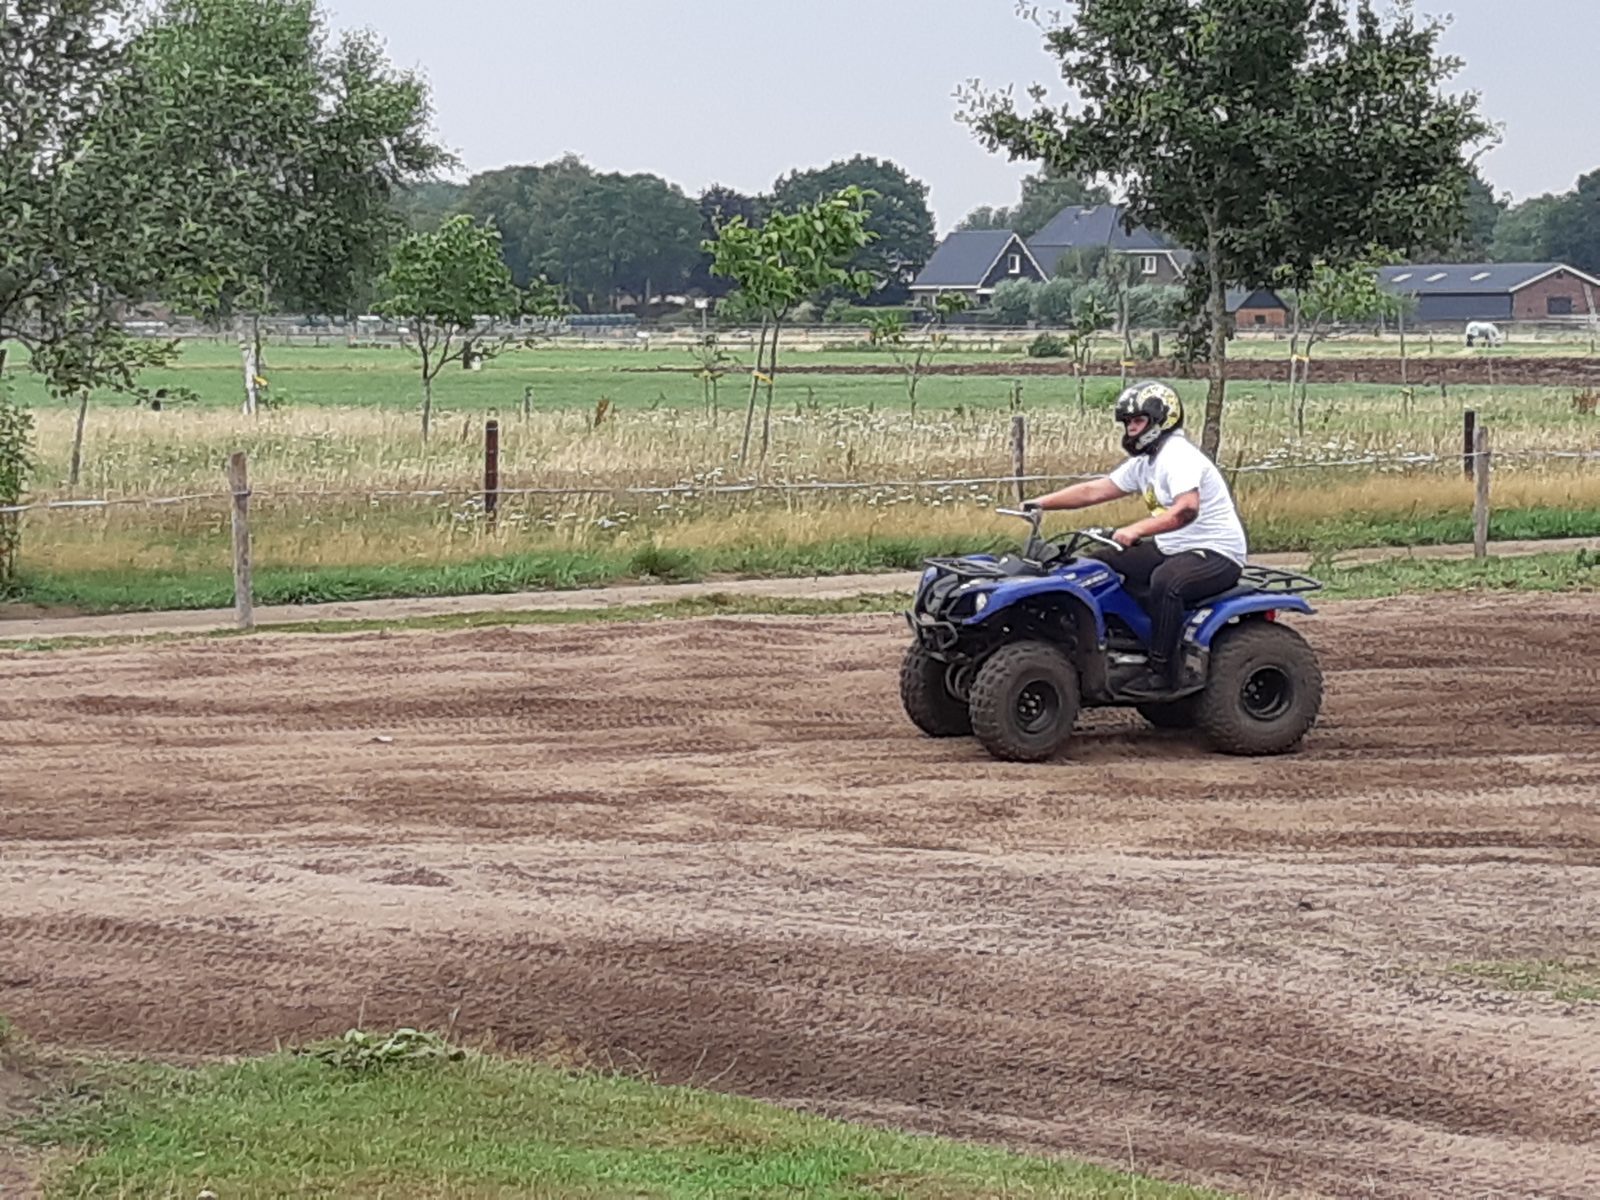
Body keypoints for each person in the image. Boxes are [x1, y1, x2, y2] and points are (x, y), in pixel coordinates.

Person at [1024, 380, 1247, 697]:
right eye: (1127, 422)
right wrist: (1040, 504)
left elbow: (1187, 509)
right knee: (1094, 566)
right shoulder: (1145, 462)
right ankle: (1120, 639)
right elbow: (1093, 490)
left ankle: (1161, 670)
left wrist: (1135, 530)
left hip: (1215, 552)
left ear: (1162, 420)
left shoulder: (1178, 456)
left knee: (1167, 582)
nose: (1131, 429)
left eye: (1138, 421)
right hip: (1173, 547)